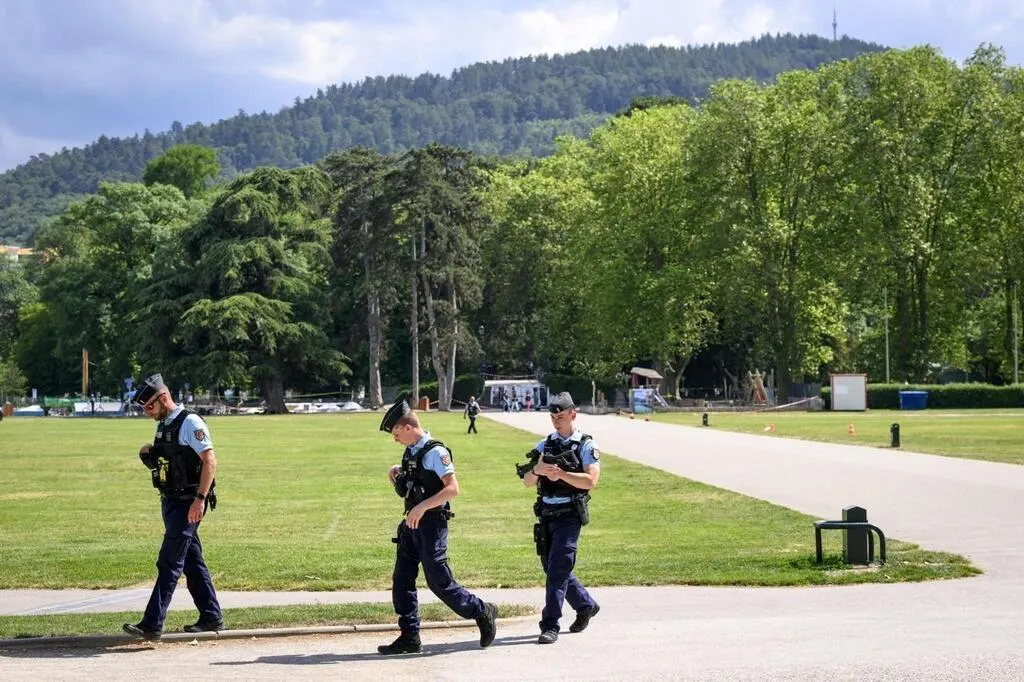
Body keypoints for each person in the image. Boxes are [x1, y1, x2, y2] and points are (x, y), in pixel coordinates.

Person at [377, 397, 497, 654]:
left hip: (431, 526)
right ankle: (410, 636)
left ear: (408, 428)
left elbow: (453, 489)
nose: (395, 439)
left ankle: (481, 610)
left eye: (396, 434)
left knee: (439, 582)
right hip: (411, 526)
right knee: (402, 581)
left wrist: (422, 507)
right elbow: (412, 488)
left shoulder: (436, 452)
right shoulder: (411, 452)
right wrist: (395, 476)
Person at [122, 373, 223, 641]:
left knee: (169, 560)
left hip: (188, 503)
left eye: (150, 406)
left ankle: (152, 624)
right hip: (171, 501)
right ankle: (211, 616)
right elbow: (170, 460)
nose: (148, 412)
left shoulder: (190, 422)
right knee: (192, 561)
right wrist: (149, 455)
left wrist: (200, 499)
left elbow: (210, 461)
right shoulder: (165, 424)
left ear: (164, 397)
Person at [519, 391, 600, 644]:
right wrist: (538, 470)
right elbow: (527, 482)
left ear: (573, 414)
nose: (556, 421)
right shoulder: (544, 445)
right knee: (553, 567)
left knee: (557, 569)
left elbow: (591, 481)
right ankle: (585, 605)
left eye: (561, 417)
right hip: (546, 514)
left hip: (569, 516)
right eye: (553, 417)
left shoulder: (586, 445)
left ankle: (550, 624)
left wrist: (562, 475)